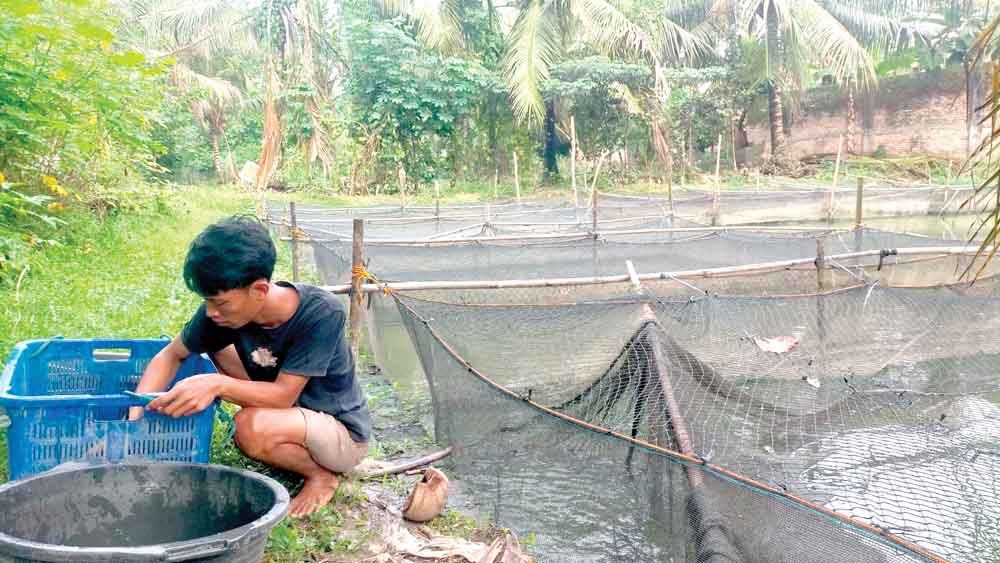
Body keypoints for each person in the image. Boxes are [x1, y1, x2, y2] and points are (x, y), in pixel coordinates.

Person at [130, 215, 370, 517]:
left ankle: (321, 475)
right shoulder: (222, 313)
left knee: (248, 426)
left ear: (259, 290)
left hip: (339, 432)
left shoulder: (321, 313)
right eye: (207, 301)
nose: (211, 312)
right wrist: (133, 419)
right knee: (212, 345)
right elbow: (170, 355)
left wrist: (216, 384)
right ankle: (281, 437)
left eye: (221, 303)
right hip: (288, 413)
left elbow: (282, 396)